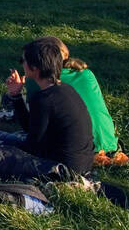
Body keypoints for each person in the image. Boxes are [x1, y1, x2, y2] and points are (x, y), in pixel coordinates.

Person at [0, 39, 94, 181]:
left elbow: (32, 146)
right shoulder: (64, 89)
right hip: (79, 164)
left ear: (35, 68)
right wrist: (16, 95)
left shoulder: (44, 100)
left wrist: (7, 150)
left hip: (60, 169)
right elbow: (31, 129)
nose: (21, 64)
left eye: (23, 60)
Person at [19, 37, 123, 165]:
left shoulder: (40, 81)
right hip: (108, 143)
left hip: (75, 151)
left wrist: (15, 97)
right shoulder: (86, 74)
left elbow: (34, 124)